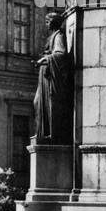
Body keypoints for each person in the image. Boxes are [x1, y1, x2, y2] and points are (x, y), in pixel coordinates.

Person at [34, 9, 73, 143]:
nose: (46, 24)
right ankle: (43, 132)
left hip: (51, 77)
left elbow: (60, 54)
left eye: (48, 21)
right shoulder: (53, 36)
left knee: (43, 103)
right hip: (46, 75)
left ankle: (49, 134)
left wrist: (44, 60)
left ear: (54, 22)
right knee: (37, 102)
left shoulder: (59, 36)